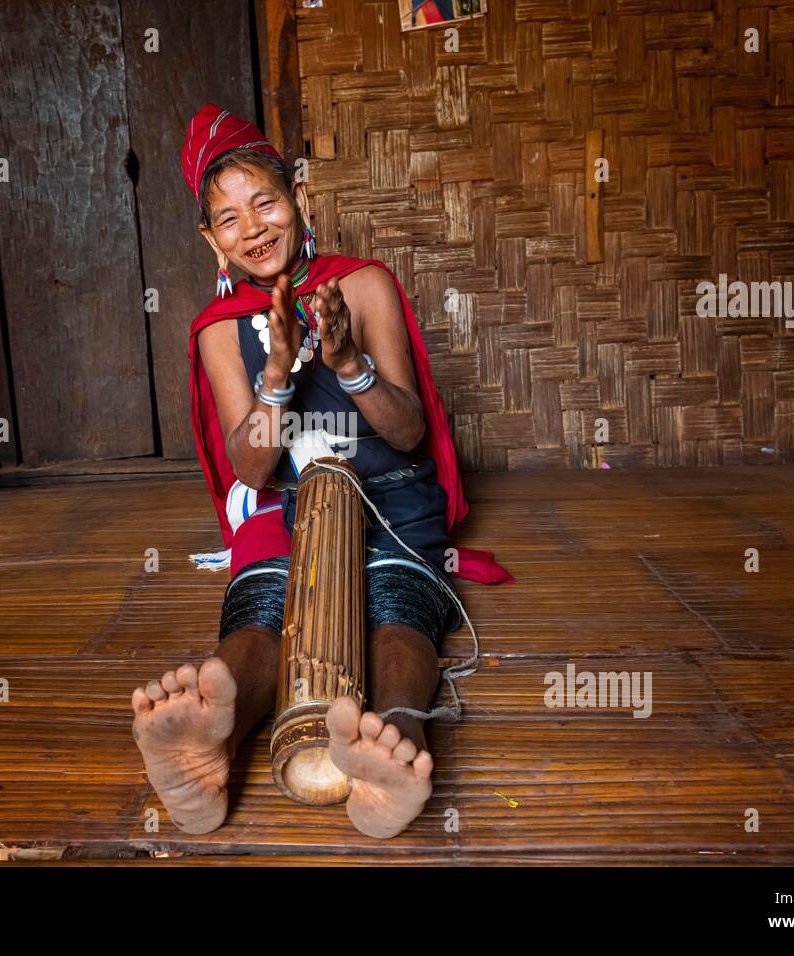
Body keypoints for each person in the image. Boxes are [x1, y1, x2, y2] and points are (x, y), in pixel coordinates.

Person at [129, 105, 509, 839]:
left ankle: (395, 743)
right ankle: (213, 742)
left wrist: (347, 365)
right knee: (262, 618)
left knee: (397, 616)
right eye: (229, 219)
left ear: (300, 202)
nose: (254, 228)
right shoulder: (217, 330)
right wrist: (276, 371)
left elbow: (407, 430)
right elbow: (251, 462)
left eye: (265, 202)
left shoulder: (362, 285)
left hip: (392, 495)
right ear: (212, 241)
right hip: (282, 507)